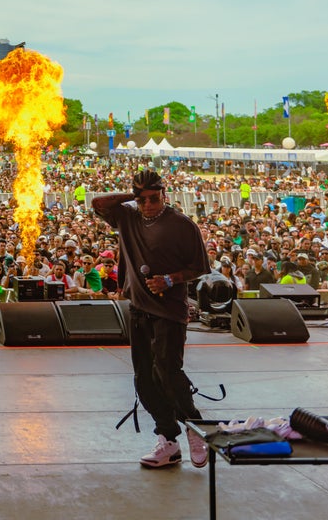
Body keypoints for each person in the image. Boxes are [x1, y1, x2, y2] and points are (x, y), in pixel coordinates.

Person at [92, 169, 208, 470]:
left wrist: (171, 280)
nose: (147, 205)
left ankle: (195, 428)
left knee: (167, 372)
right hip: (139, 309)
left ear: (164, 194)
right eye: (141, 200)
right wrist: (132, 196)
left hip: (169, 311)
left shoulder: (182, 225)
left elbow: (199, 266)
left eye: (153, 198)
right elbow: (98, 203)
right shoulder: (127, 218)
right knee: (144, 377)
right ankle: (168, 440)